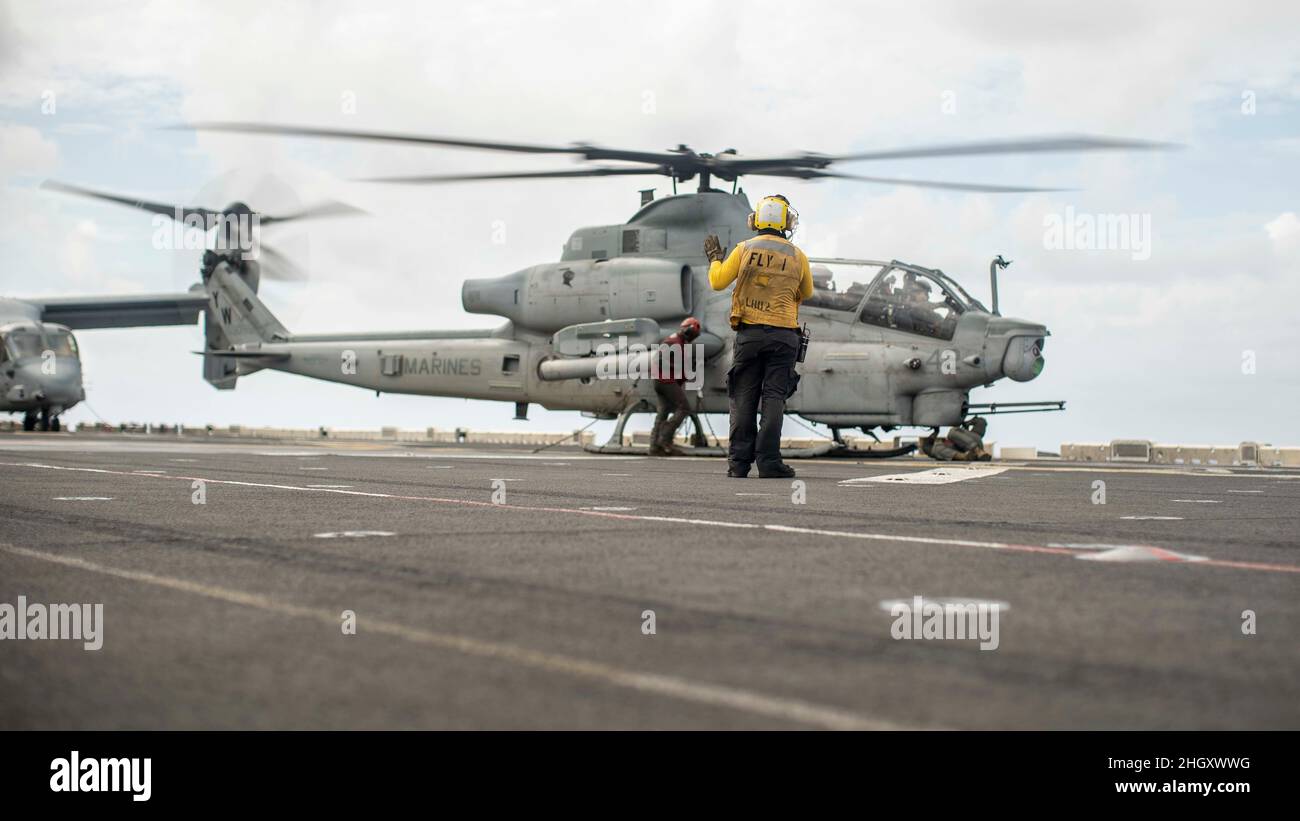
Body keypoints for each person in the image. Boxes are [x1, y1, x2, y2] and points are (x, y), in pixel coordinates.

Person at [705, 194, 813, 478]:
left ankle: (738, 465)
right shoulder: (797, 255)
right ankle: (769, 463)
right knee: (774, 397)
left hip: (749, 335)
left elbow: (717, 282)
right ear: (785, 221)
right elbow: (807, 292)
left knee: (743, 398)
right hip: (784, 337)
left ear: (756, 219)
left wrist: (715, 260)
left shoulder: (744, 249)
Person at [648, 317, 702, 456]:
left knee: (664, 411)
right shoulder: (673, 342)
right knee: (684, 408)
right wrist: (679, 367)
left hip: (661, 381)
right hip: (665, 381)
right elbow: (658, 360)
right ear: (687, 331)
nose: (692, 338)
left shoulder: (680, 342)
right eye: (692, 335)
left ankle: (654, 447)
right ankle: (664, 440)